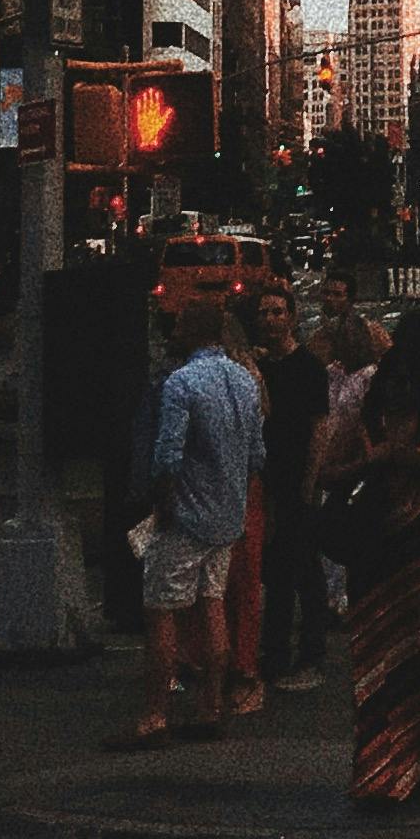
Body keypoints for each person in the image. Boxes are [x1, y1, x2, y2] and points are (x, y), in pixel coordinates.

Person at [321, 314, 420, 805]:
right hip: (374, 558)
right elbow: (327, 473)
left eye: (409, 384)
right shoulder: (364, 428)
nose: (400, 392)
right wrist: (373, 460)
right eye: (394, 383)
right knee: (376, 664)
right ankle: (381, 768)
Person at [112, 297, 262, 746]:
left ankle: (155, 716)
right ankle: (209, 707)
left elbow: (167, 457)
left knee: (161, 612)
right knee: (213, 604)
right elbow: (257, 455)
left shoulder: (181, 383)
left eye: (178, 324)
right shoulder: (246, 381)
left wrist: (161, 505)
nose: (171, 331)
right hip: (227, 515)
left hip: (184, 515)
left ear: (195, 331)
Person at [253, 280, 334, 691]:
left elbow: (319, 428)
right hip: (266, 477)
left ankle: (311, 652)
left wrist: (310, 480)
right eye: (264, 313)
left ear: (292, 318)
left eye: (277, 313)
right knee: (276, 568)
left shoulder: (308, 370)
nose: (270, 320)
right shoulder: (259, 367)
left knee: (304, 567)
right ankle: (274, 652)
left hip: (296, 477)